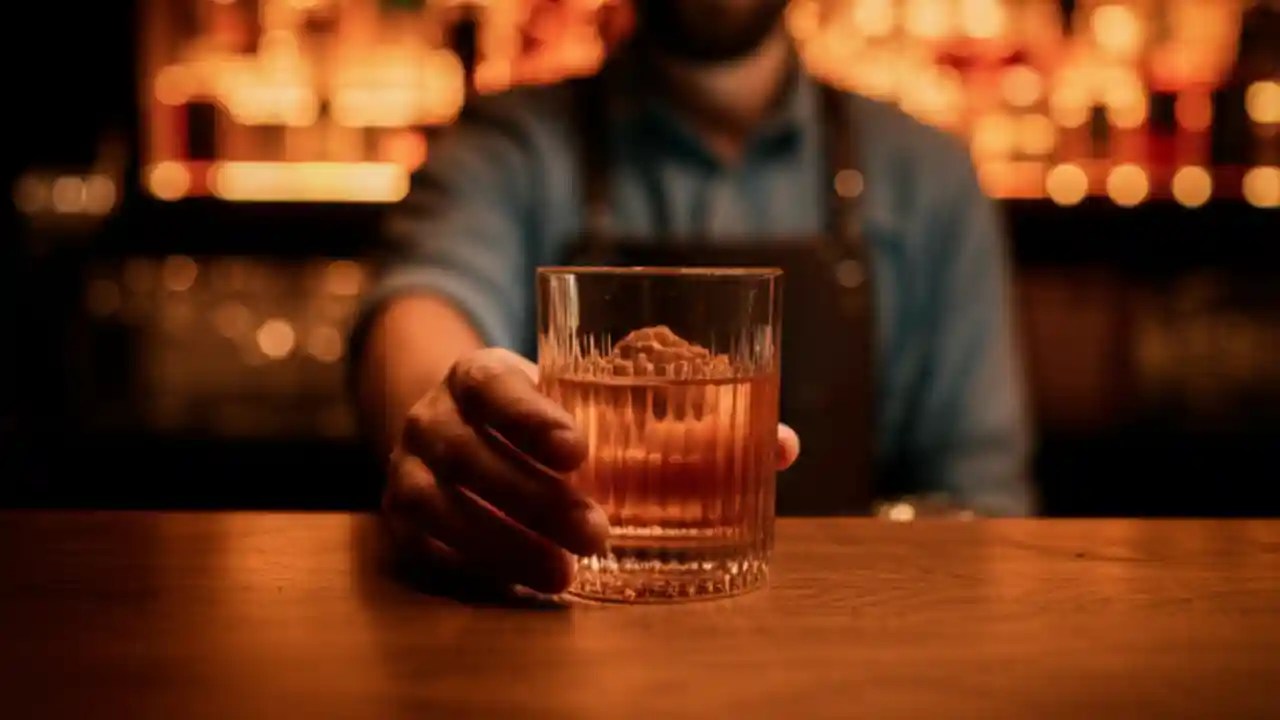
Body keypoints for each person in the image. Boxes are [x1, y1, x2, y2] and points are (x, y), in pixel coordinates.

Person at [352, 0, 1035, 594]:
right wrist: (449, 423)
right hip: (576, 641)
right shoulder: (507, 147)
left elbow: (979, 495)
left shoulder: (929, 176)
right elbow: (423, 304)